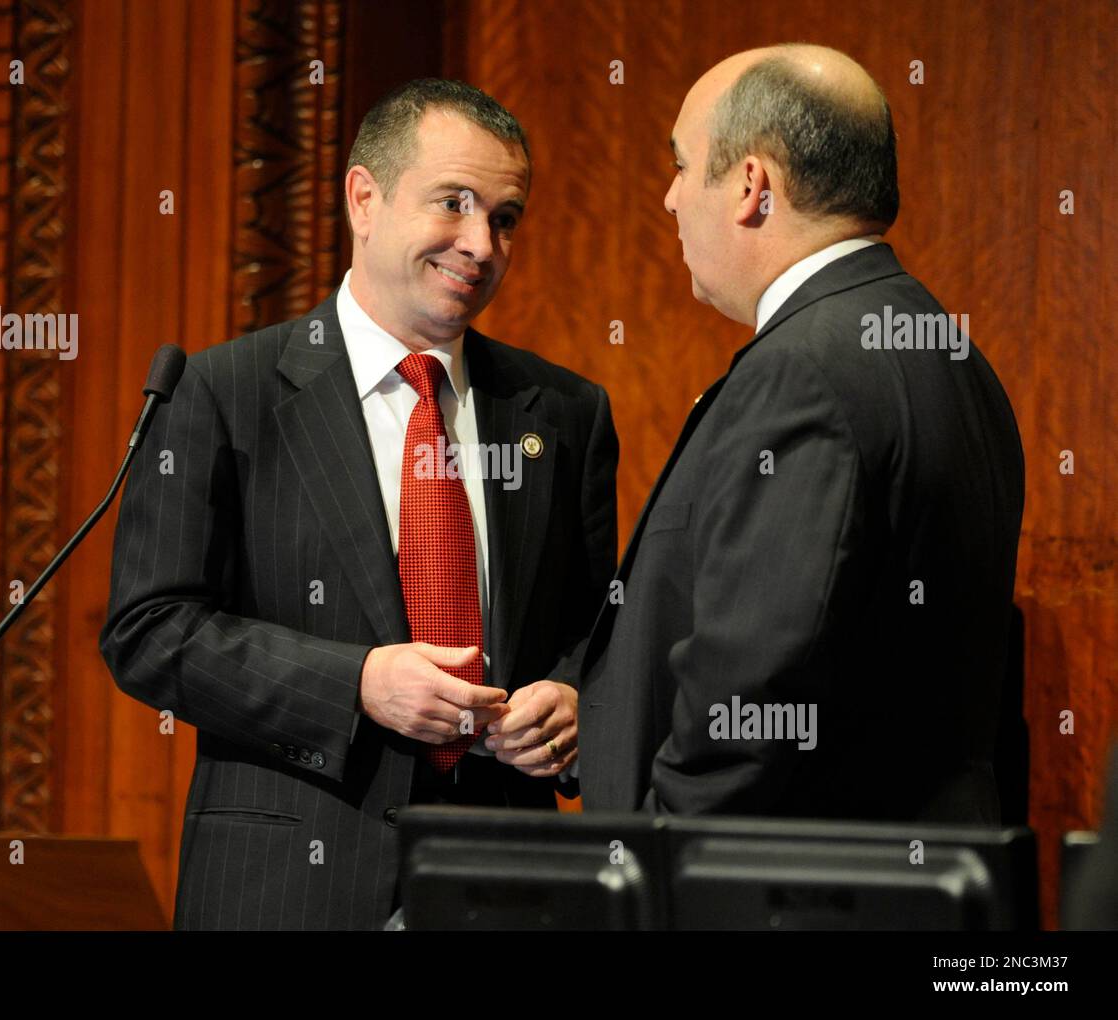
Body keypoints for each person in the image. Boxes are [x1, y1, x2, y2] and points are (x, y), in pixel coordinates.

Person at [99, 79, 617, 930]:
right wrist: (357, 684)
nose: (481, 244)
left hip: (502, 887)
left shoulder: (563, 413)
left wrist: (570, 707)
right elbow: (148, 630)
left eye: (506, 217)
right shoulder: (227, 392)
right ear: (364, 199)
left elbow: (598, 633)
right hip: (286, 885)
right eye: (453, 203)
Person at [579, 45, 1023, 823]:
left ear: (753, 186)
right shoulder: (948, 350)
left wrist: (647, 878)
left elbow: (747, 712)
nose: (669, 198)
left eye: (682, 166)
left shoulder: (801, 374)